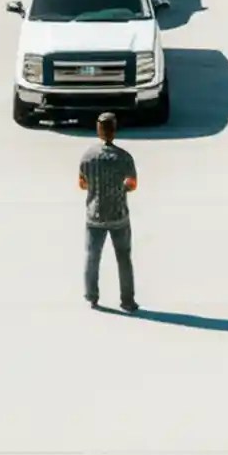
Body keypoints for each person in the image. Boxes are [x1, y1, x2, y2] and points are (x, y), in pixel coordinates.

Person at [78, 112, 138, 312]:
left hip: (94, 215)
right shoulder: (124, 157)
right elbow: (132, 184)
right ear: (114, 130)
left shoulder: (87, 157)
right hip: (118, 215)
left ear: (98, 130)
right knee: (123, 257)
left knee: (92, 255)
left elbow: (82, 184)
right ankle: (127, 300)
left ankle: (92, 296)